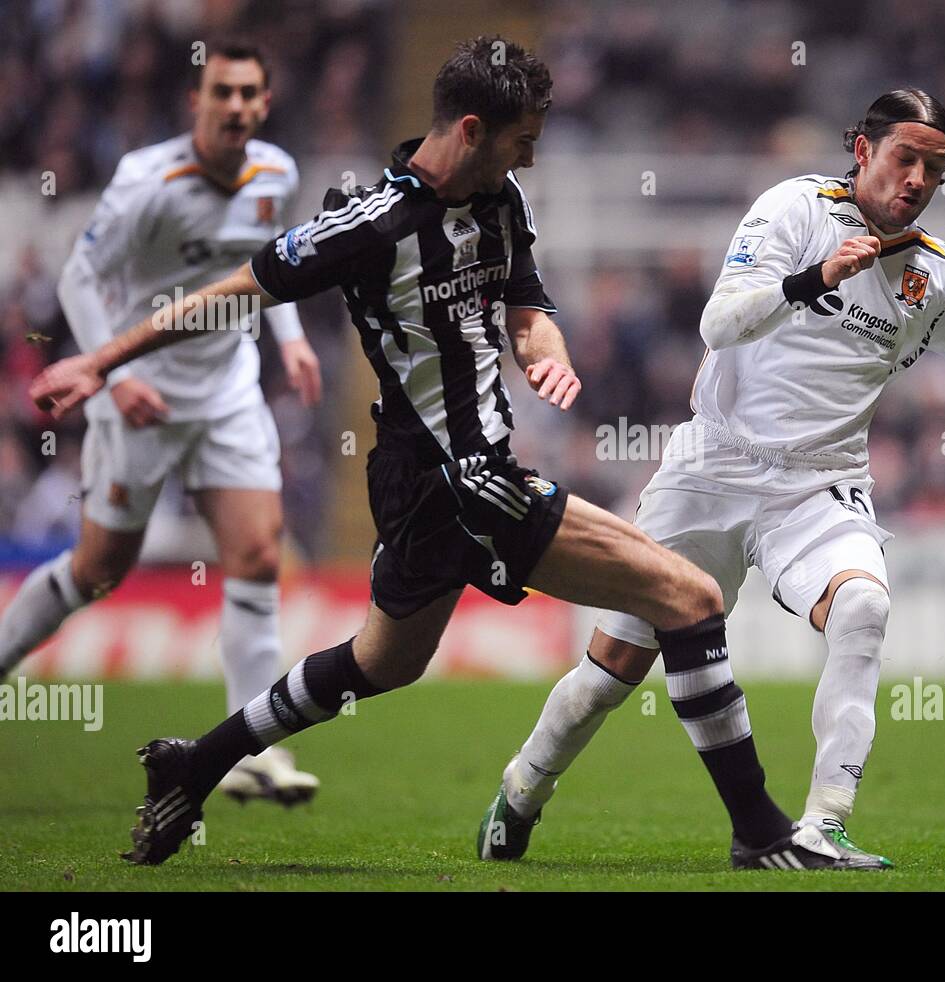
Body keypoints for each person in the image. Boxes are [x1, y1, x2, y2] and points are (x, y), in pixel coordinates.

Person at [29, 36, 860, 872]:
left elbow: (528, 308)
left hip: (436, 483)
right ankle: (761, 834)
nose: (529, 158)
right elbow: (229, 292)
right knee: (690, 596)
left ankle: (195, 763)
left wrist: (547, 351)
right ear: (471, 128)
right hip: (459, 478)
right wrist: (99, 362)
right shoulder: (366, 225)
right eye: (521, 141)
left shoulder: (501, 204)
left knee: (379, 662)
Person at [477, 88, 945, 869]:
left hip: (818, 485)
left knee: (862, 606)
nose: (919, 179)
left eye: (936, 167)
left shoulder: (940, 278)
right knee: (612, 673)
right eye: (906, 158)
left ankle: (820, 824)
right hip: (710, 467)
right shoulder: (793, 211)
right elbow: (716, 323)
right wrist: (815, 276)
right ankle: (521, 789)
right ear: (862, 151)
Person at [1, 40, 323, 805]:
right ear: (197, 102)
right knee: (97, 571)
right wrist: (113, 381)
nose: (238, 106)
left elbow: (270, 269)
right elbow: (82, 275)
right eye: (224, 93)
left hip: (228, 391)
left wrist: (294, 338)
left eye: (251, 93)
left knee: (254, 554)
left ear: (265, 103)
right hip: (141, 395)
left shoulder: (277, 173)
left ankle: (250, 748)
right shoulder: (148, 181)